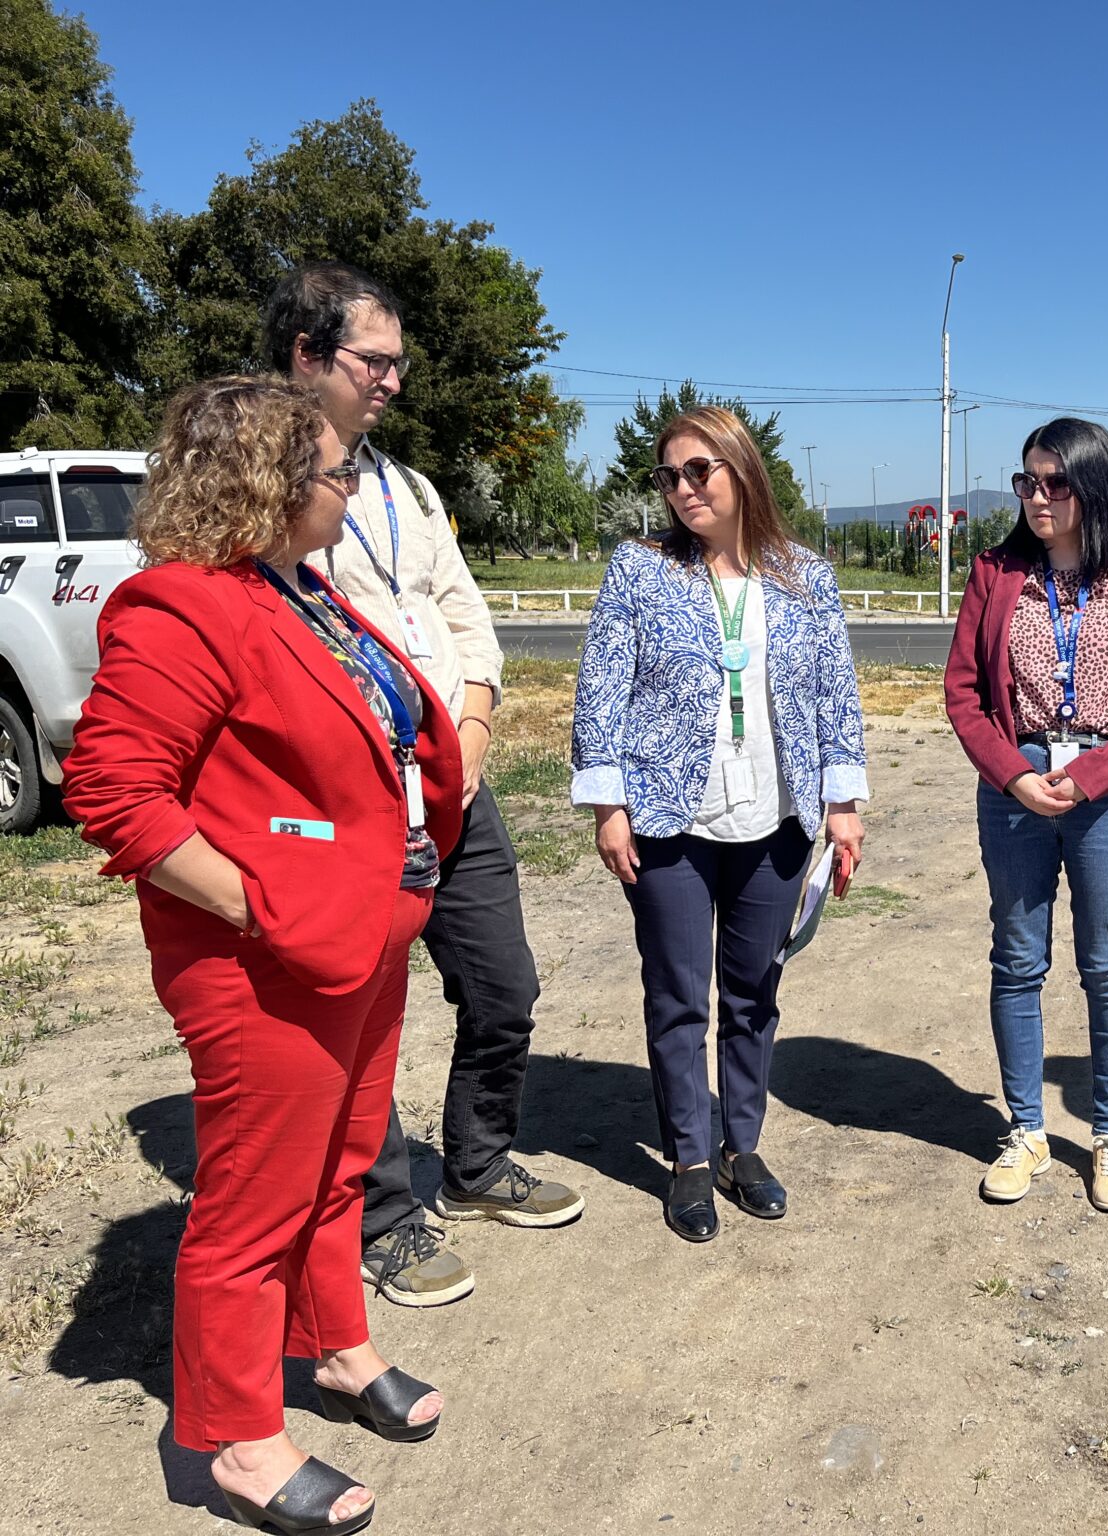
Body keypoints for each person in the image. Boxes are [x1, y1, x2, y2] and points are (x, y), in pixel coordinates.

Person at [64, 377, 464, 1533]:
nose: (353, 483)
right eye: (338, 470)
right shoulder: (179, 604)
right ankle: (239, 1441)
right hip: (265, 960)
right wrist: (266, 907)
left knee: (341, 1164)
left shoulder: (302, 592)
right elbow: (116, 794)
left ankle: (338, 1346)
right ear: (273, 485)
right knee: (251, 1201)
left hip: (362, 939)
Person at [263, 262, 581, 1311]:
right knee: (363, 1025)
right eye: (376, 360)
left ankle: (480, 1166)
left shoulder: (404, 487)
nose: (394, 380)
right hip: (348, 805)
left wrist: (477, 725)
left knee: (505, 989)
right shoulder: (259, 481)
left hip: (453, 783)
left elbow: (461, 612)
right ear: (310, 355)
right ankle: (381, 1216)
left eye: (399, 363)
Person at [571, 406, 868, 1244]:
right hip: (669, 821)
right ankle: (690, 1160)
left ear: (741, 470)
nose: (682, 489)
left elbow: (836, 697)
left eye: (699, 470)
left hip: (776, 821)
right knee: (676, 998)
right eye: (668, 476)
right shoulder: (641, 570)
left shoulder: (807, 577)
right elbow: (600, 691)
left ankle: (743, 1146)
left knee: (753, 995)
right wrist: (608, 806)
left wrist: (841, 807)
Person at [944, 417, 1108, 1212]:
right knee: (1017, 962)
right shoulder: (995, 570)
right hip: (1015, 794)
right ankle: (1025, 1131)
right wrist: (1014, 775)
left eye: (1054, 483)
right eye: (1027, 482)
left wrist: (1088, 778)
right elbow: (965, 695)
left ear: (1094, 487)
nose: (1037, 497)